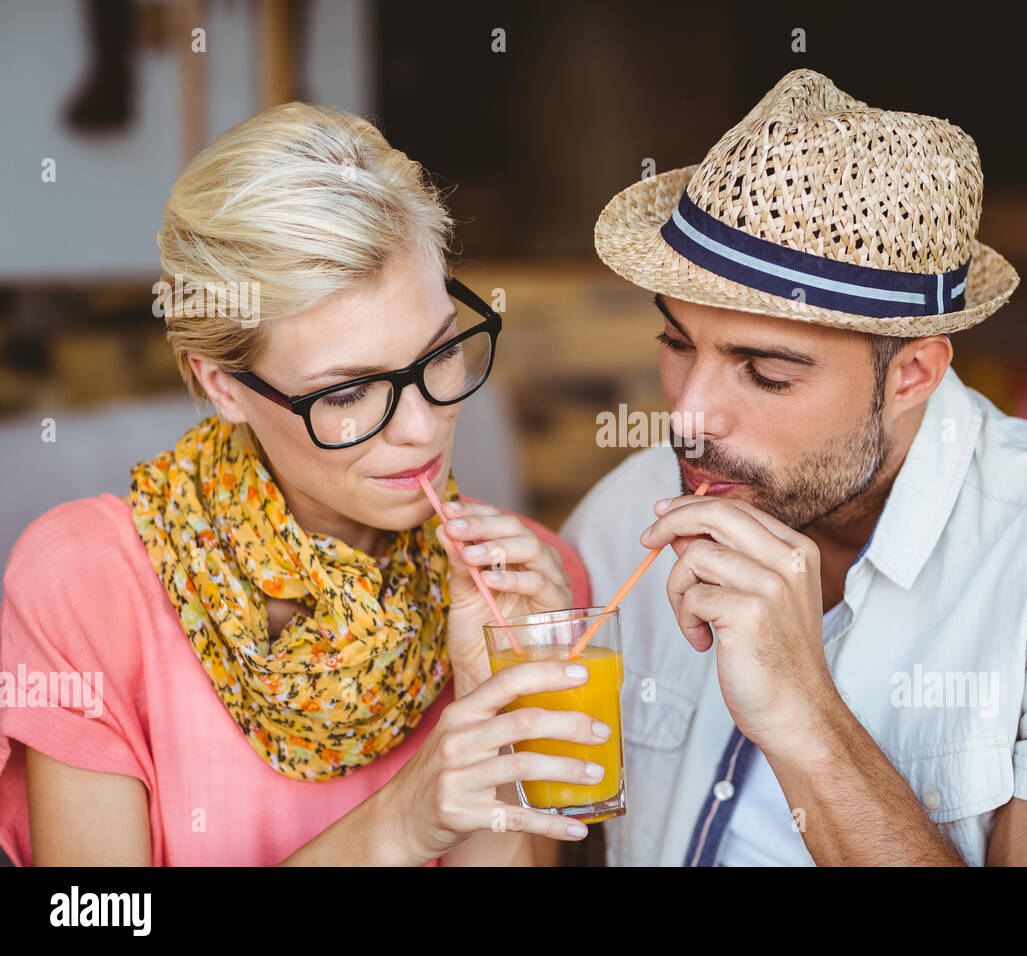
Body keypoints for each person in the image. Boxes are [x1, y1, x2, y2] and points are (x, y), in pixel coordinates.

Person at [561, 69, 1027, 866]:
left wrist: (807, 718)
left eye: (768, 373)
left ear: (913, 374)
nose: (688, 416)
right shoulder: (627, 516)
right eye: (678, 345)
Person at [0, 102, 609, 866]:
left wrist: (500, 702)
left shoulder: (536, 588)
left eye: (440, 353)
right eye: (348, 393)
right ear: (222, 387)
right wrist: (394, 827)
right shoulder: (84, 581)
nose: (421, 428)